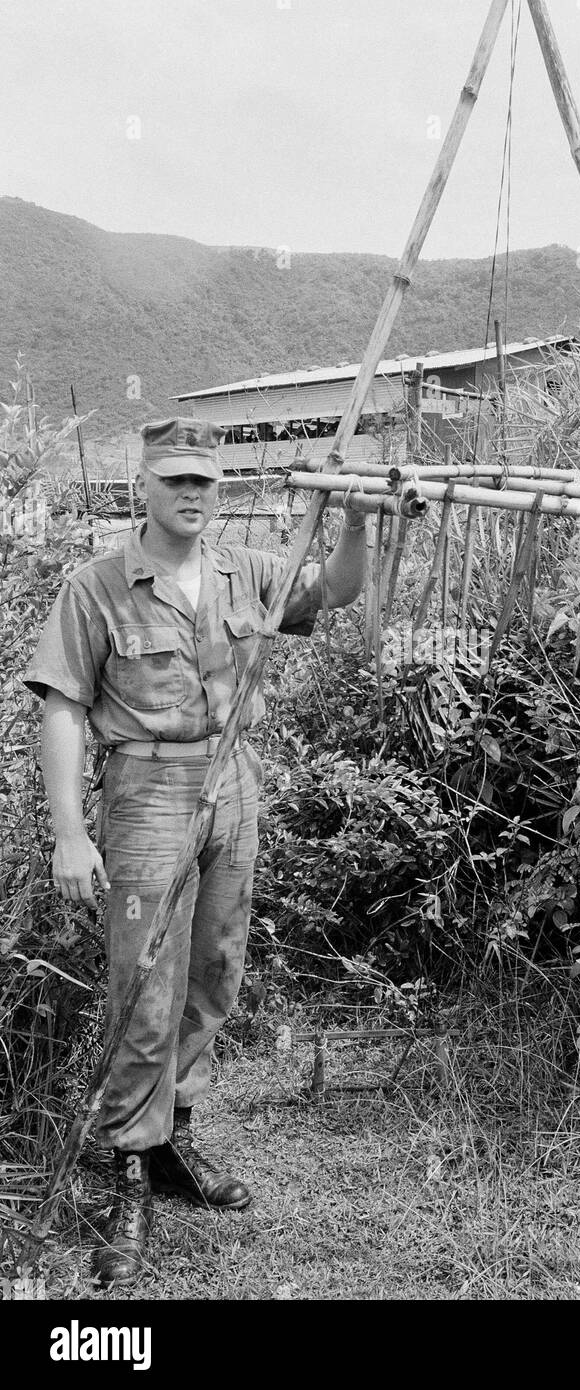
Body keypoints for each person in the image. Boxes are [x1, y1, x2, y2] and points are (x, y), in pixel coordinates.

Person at [22, 418, 367, 1286]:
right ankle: (126, 1169)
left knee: (215, 968)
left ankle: (174, 1139)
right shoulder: (96, 585)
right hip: (147, 792)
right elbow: (60, 708)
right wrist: (70, 831)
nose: (190, 494)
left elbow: (334, 591)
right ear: (142, 485)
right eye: (174, 479)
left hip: (235, 783)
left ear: (218, 489)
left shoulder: (245, 569)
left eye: (204, 483)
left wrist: (356, 523)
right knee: (144, 979)